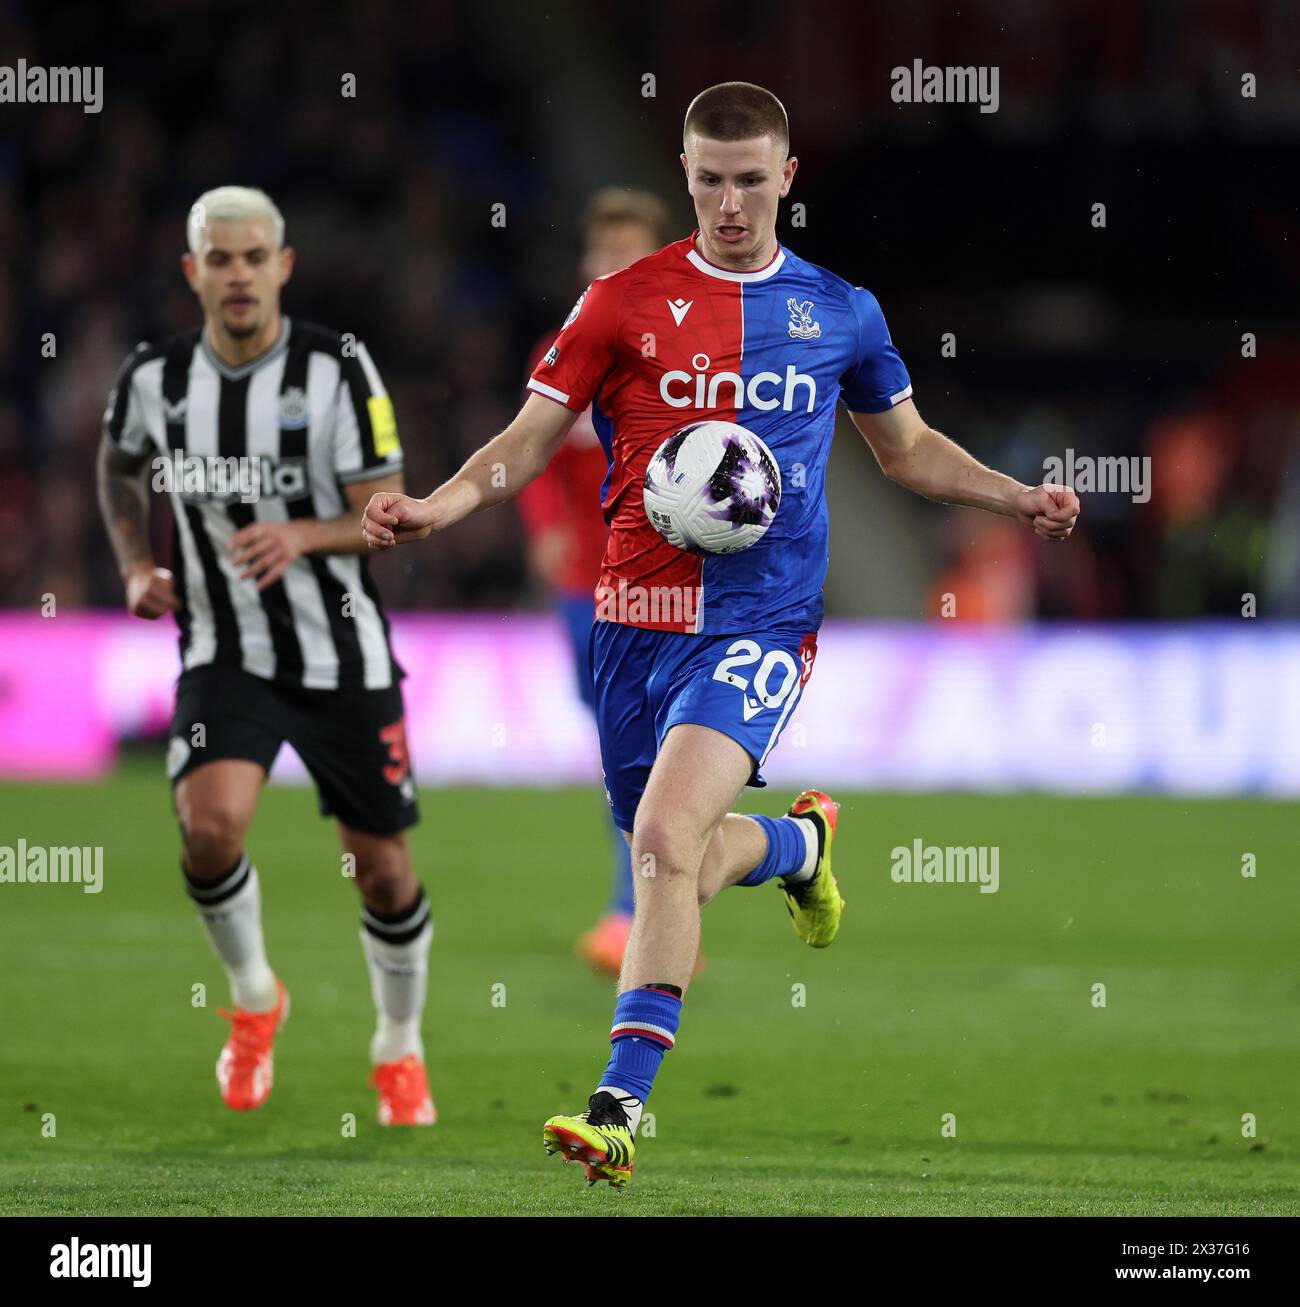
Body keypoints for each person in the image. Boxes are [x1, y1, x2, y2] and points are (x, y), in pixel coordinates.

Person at [361, 83, 1080, 1186]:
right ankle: (796, 845)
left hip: (760, 621)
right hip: (629, 624)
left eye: (751, 180)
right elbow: (524, 439)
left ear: (786, 177)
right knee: (680, 864)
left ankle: (618, 1105)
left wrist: (1010, 495)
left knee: (657, 837)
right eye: (709, 179)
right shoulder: (617, 302)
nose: (731, 202)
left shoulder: (842, 310)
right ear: (684, 178)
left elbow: (908, 450)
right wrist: (435, 505)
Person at [97, 186, 436, 1127]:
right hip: (223, 650)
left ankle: (397, 1046)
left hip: (343, 655)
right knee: (208, 827)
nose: (238, 274)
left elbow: (387, 512)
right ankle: (253, 997)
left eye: (255, 258)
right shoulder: (154, 379)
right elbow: (119, 464)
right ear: (192, 271)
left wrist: (300, 534)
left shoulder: (337, 367)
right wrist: (133, 564)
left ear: (283, 266)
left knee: (384, 871)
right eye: (220, 258)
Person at [517, 187, 670, 976]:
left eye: (631, 253)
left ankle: (634, 912)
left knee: (638, 749)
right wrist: (543, 524)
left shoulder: (685, 355)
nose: (615, 266)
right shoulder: (564, 345)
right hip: (583, 584)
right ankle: (663, 894)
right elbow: (533, 455)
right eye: (604, 253)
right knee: (620, 750)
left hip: (663, 583)